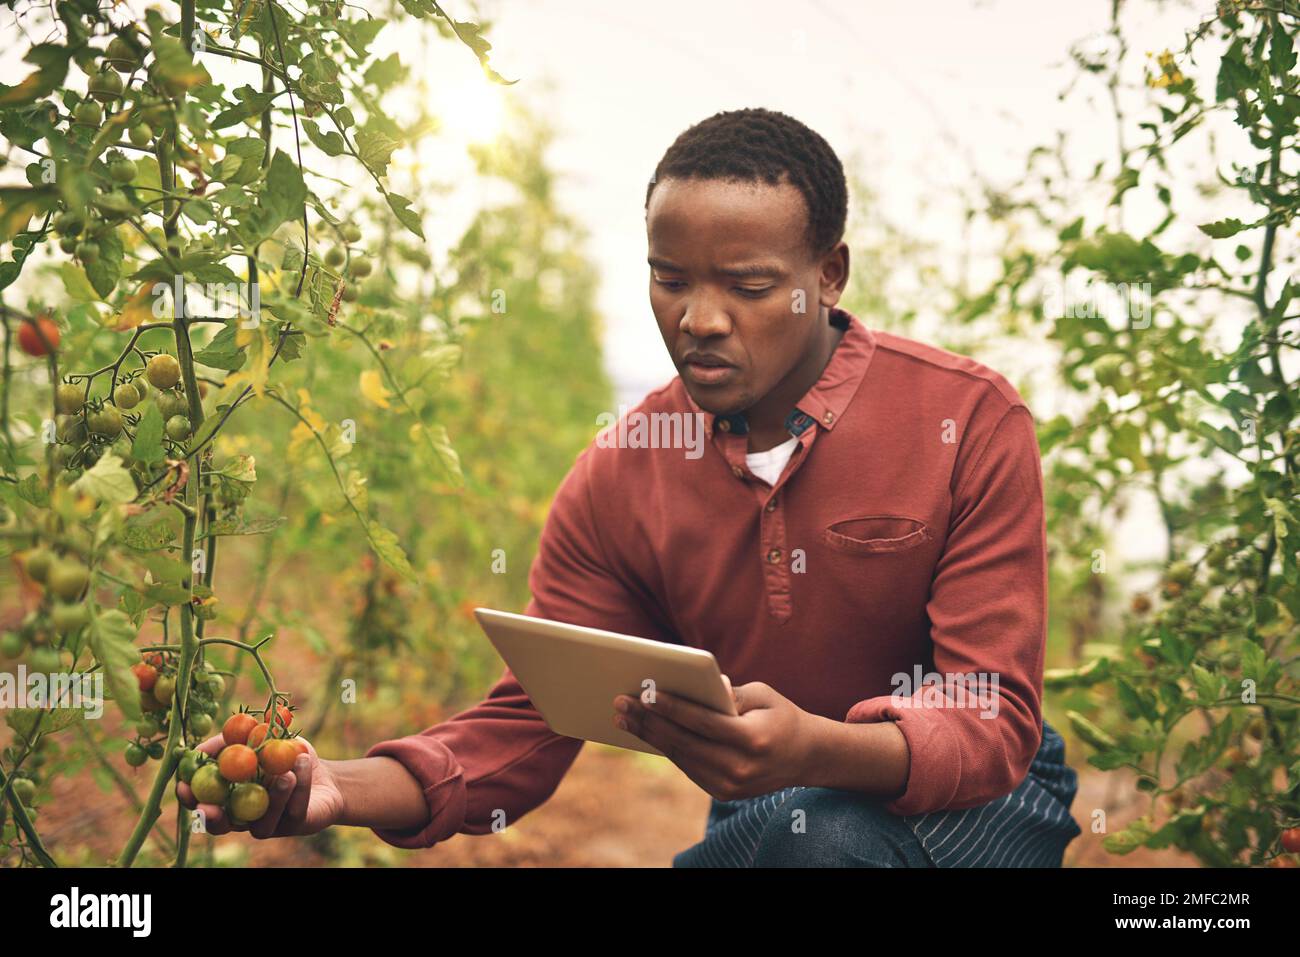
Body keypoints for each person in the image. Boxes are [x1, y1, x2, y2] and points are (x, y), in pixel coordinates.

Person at [178, 107, 1082, 867]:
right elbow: (527, 725)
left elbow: (990, 715)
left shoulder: (966, 422)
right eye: (669, 279)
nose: (700, 319)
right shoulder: (624, 472)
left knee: (830, 843)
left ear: (828, 277)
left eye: (751, 285)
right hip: (768, 812)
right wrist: (338, 786)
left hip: (985, 800)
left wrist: (820, 746)